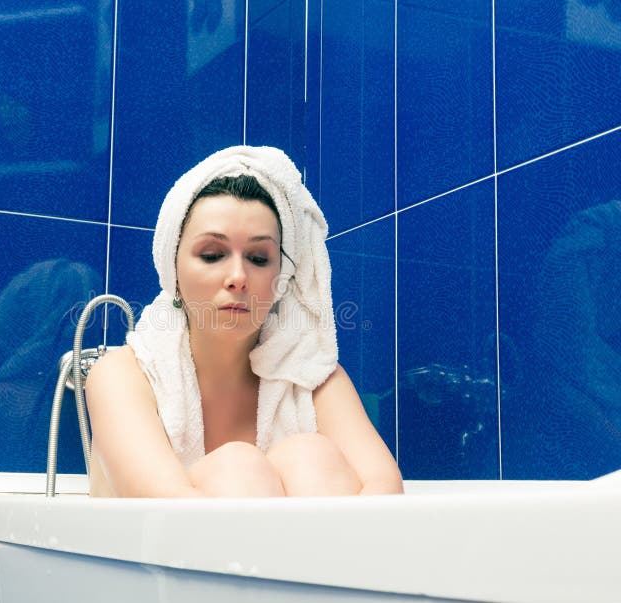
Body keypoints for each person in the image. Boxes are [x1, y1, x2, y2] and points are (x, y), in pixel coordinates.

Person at [85, 146, 403, 497]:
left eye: (258, 257)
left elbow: (384, 488)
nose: (238, 276)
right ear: (172, 271)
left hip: (300, 549)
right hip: (151, 552)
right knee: (239, 467)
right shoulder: (121, 376)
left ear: (280, 277)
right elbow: (166, 510)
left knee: (310, 457)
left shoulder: (312, 379)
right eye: (212, 255)